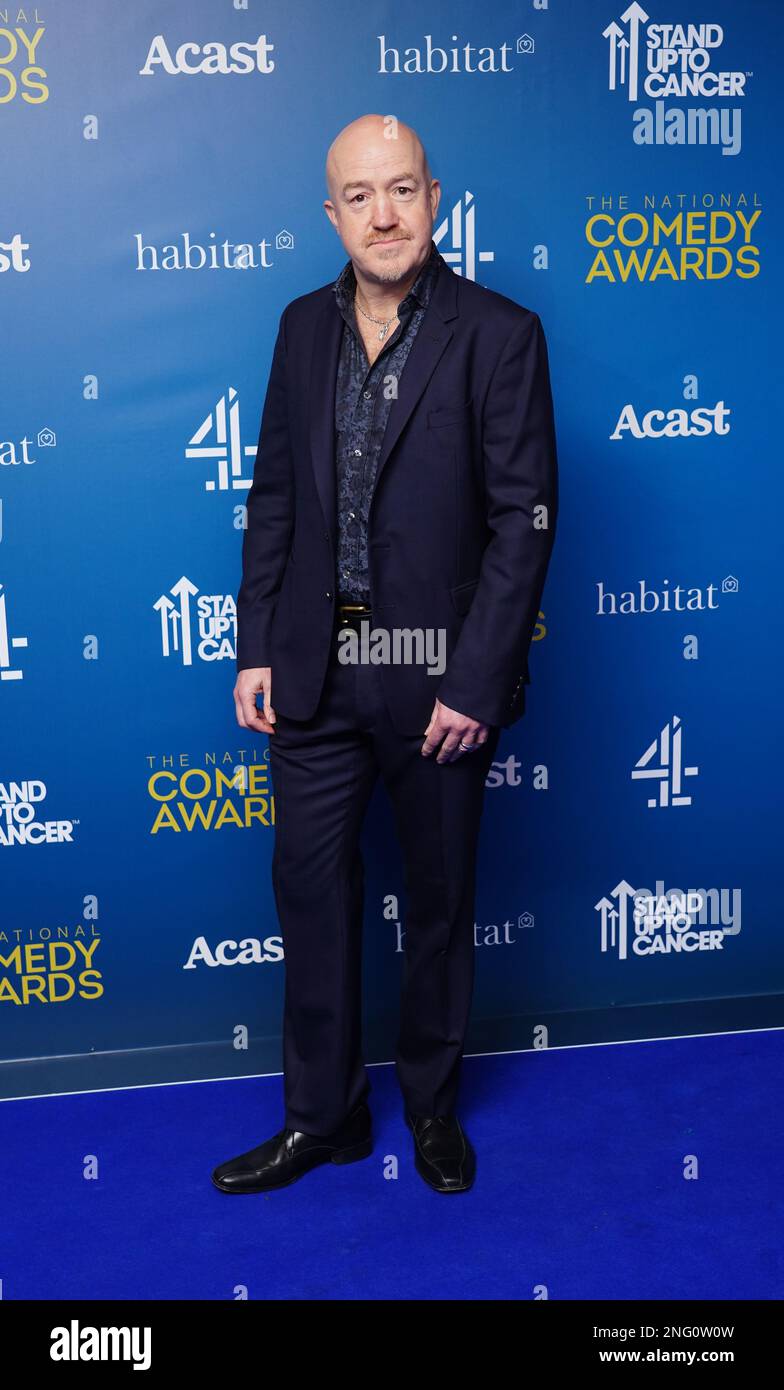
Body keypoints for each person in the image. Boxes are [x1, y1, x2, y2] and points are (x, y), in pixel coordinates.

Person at [212, 114, 558, 1196]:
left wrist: (475, 680)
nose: (383, 214)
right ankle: (323, 1120)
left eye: (401, 189)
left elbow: (524, 520)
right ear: (332, 213)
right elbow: (273, 497)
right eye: (359, 196)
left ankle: (432, 1109)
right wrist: (257, 642)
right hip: (314, 667)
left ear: (435, 197)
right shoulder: (297, 330)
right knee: (309, 895)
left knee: (441, 899)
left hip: (435, 676)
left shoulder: (500, 333)